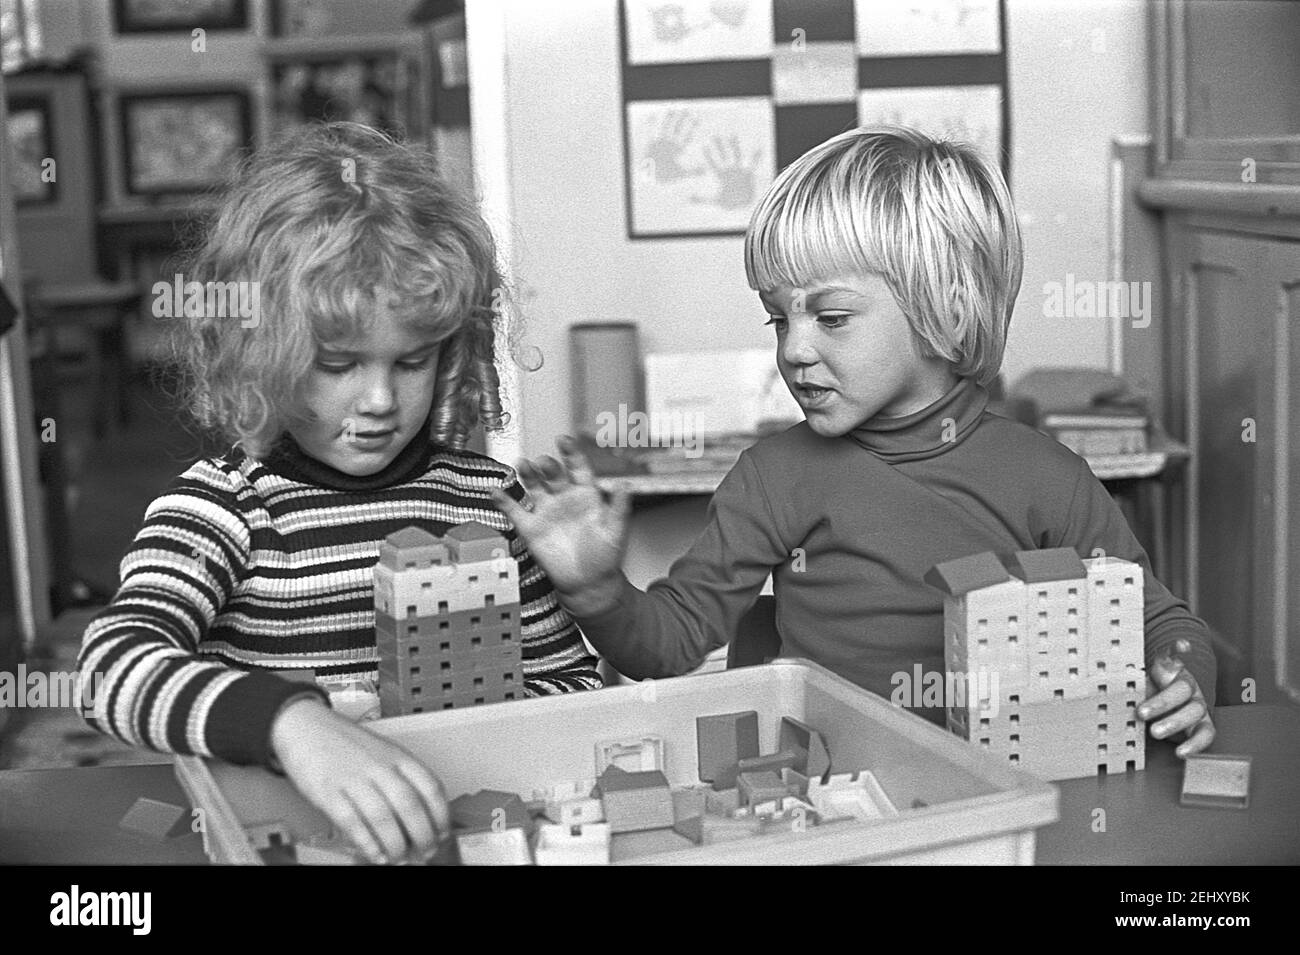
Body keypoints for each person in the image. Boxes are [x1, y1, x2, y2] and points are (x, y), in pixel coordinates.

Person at [494, 125, 1216, 760]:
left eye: (830, 317)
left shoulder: (1048, 476)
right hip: (840, 792)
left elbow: (1156, 618)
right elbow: (670, 641)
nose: (795, 350)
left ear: (944, 309)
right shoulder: (773, 476)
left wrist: (1182, 674)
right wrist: (596, 590)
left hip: (1006, 784)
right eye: (778, 320)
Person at [77, 122, 602, 864]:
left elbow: (571, 683)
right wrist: (294, 725)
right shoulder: (226, 508)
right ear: (264, 348)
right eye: (338, 363)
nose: (381, 398)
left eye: (411, 360)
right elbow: (110, 668)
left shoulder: (490, 500)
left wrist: (450, 727)